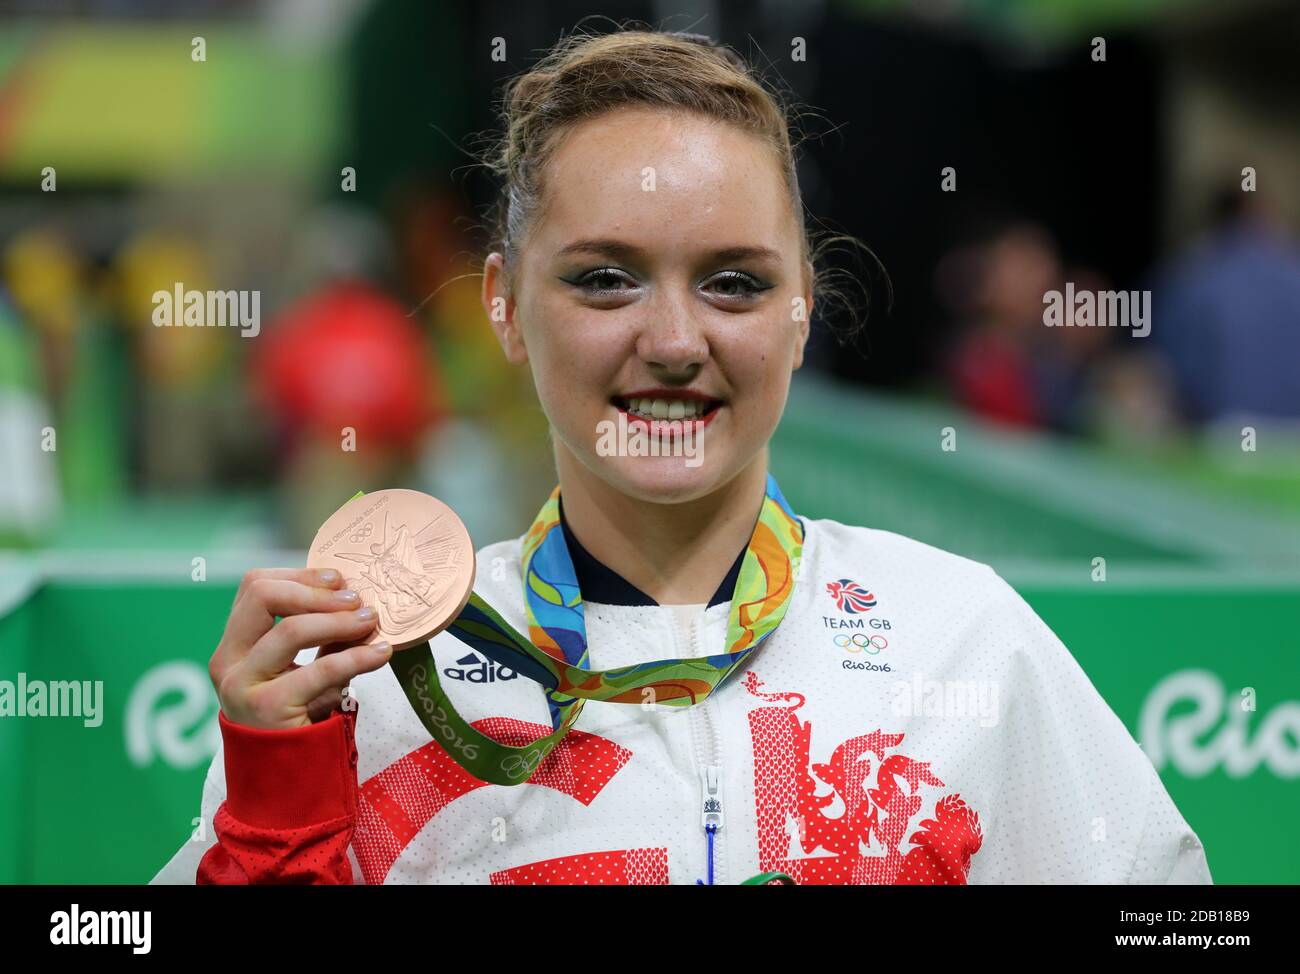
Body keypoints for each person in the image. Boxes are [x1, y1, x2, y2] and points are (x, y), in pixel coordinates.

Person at [152, 27, 1211, 885]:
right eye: (605, 279)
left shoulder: (964, 642)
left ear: (802, 312)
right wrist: (272, 821)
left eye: (734, 283)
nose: (671, 341)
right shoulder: (377, 689)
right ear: (504, 306)